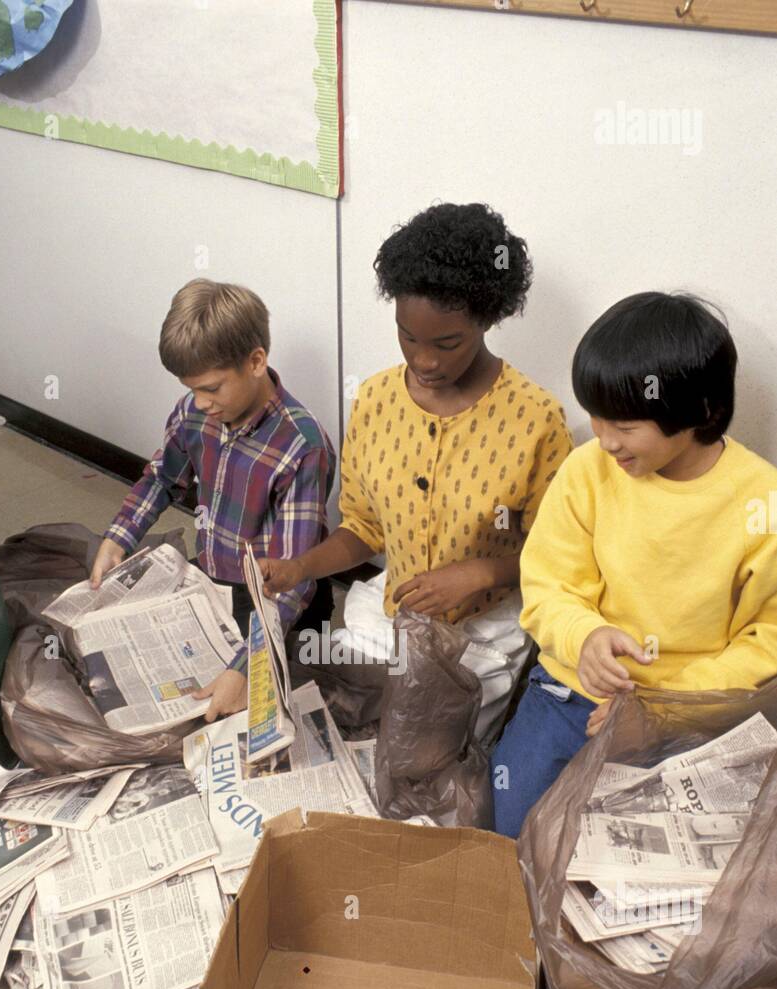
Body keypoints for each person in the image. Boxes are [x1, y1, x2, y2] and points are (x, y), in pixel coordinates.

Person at [259, 203, 572, 739]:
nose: (424, 361)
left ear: (487, 319)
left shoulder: (535, 419)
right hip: (390, 617)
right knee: (330, 723)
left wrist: (477, 574)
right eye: (408, 337)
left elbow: (558, 554)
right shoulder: (376, 399)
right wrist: (302, 567)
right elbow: (364, 529)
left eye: (447, 343)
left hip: (482, 633)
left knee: (431, 752)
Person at [491, 292, 777, 838]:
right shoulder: (588, 471)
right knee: (515, 821)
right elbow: (548, 583)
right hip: (570, 694)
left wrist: (665, 710)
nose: (604, 440)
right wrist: (586, 635)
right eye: (596, 418)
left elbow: (767, 639)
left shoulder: (761, 500)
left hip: (687, 712)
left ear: (700, 413)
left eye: (624, 424)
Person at [89, 279, 335, 721]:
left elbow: (294, 580)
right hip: (215, 582)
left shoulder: (302, 447)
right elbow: (162, 479)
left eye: (212, 388)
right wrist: (118, 539)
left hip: (276, 596)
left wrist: (246, 666)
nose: (199, 402)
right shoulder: (193, 412)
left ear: (256, 361)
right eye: (192, 388)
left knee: (252, 707)